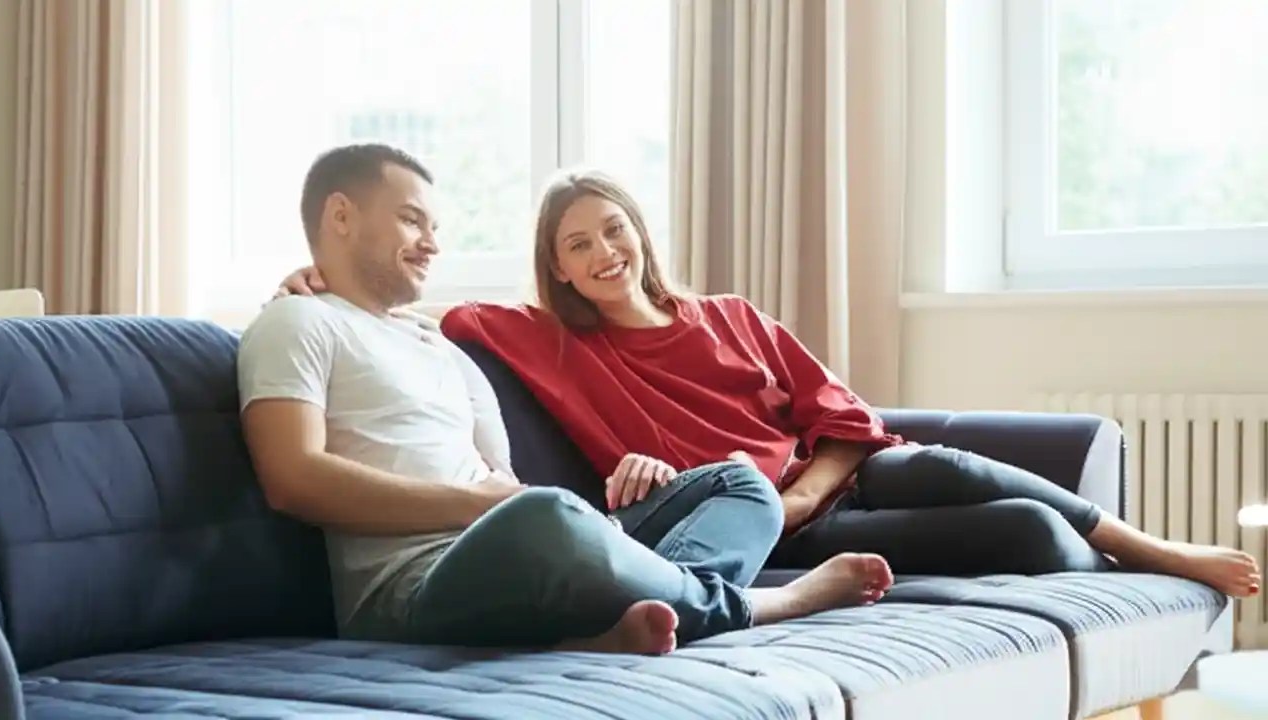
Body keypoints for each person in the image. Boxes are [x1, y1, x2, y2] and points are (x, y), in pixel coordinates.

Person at [280, 167, 1261, 599]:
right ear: (561, 272)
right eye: (577, 247)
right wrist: (315, 279)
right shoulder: (545, 342)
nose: (602, 252)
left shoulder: (732, 316)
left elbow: (840, 418)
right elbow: (418, 304)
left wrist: (801, 493)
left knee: (949, 467)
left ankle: (1153, 549)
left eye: (611, 229)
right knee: (1026, 533)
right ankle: (1103, 563)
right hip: (745, 524)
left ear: (637, 231)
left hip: (822, 494)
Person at [240, 144, 894, 658]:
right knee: (546, 514)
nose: (434, 243)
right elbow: (292, 480)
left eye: (436, 226)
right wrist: (487, 506)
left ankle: (611, 624)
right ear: (341, 216)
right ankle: (759, 604)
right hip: (408, 589)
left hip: (514, 544)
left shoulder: (433, 345)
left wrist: (568, 515)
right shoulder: (295, 322)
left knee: (741, 483)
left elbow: (498, 477)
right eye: (412, 220)